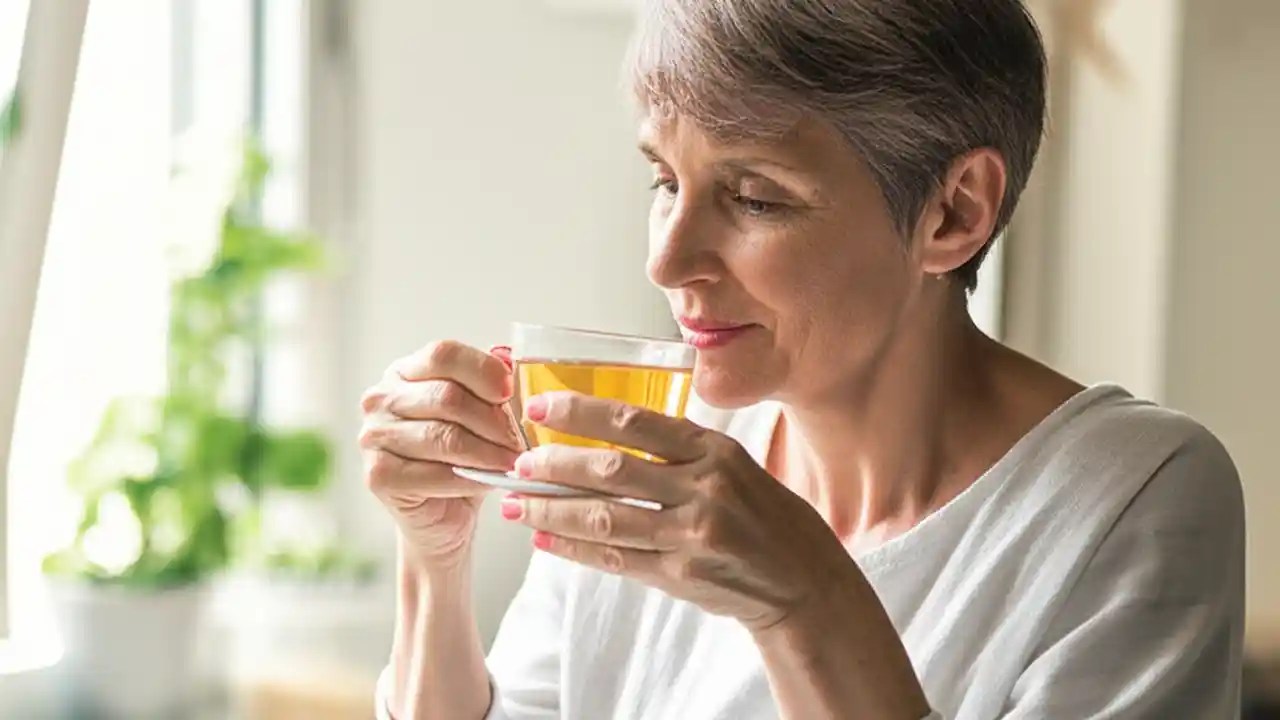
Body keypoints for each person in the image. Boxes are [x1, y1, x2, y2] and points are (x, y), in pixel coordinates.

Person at [359, 1, 1245, 718]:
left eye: (754, 198)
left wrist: (806, 605)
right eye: (666, 181)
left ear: (954, 214)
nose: (665, 261)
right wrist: (434, 561)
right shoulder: (648, 453)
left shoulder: (1135, 496)